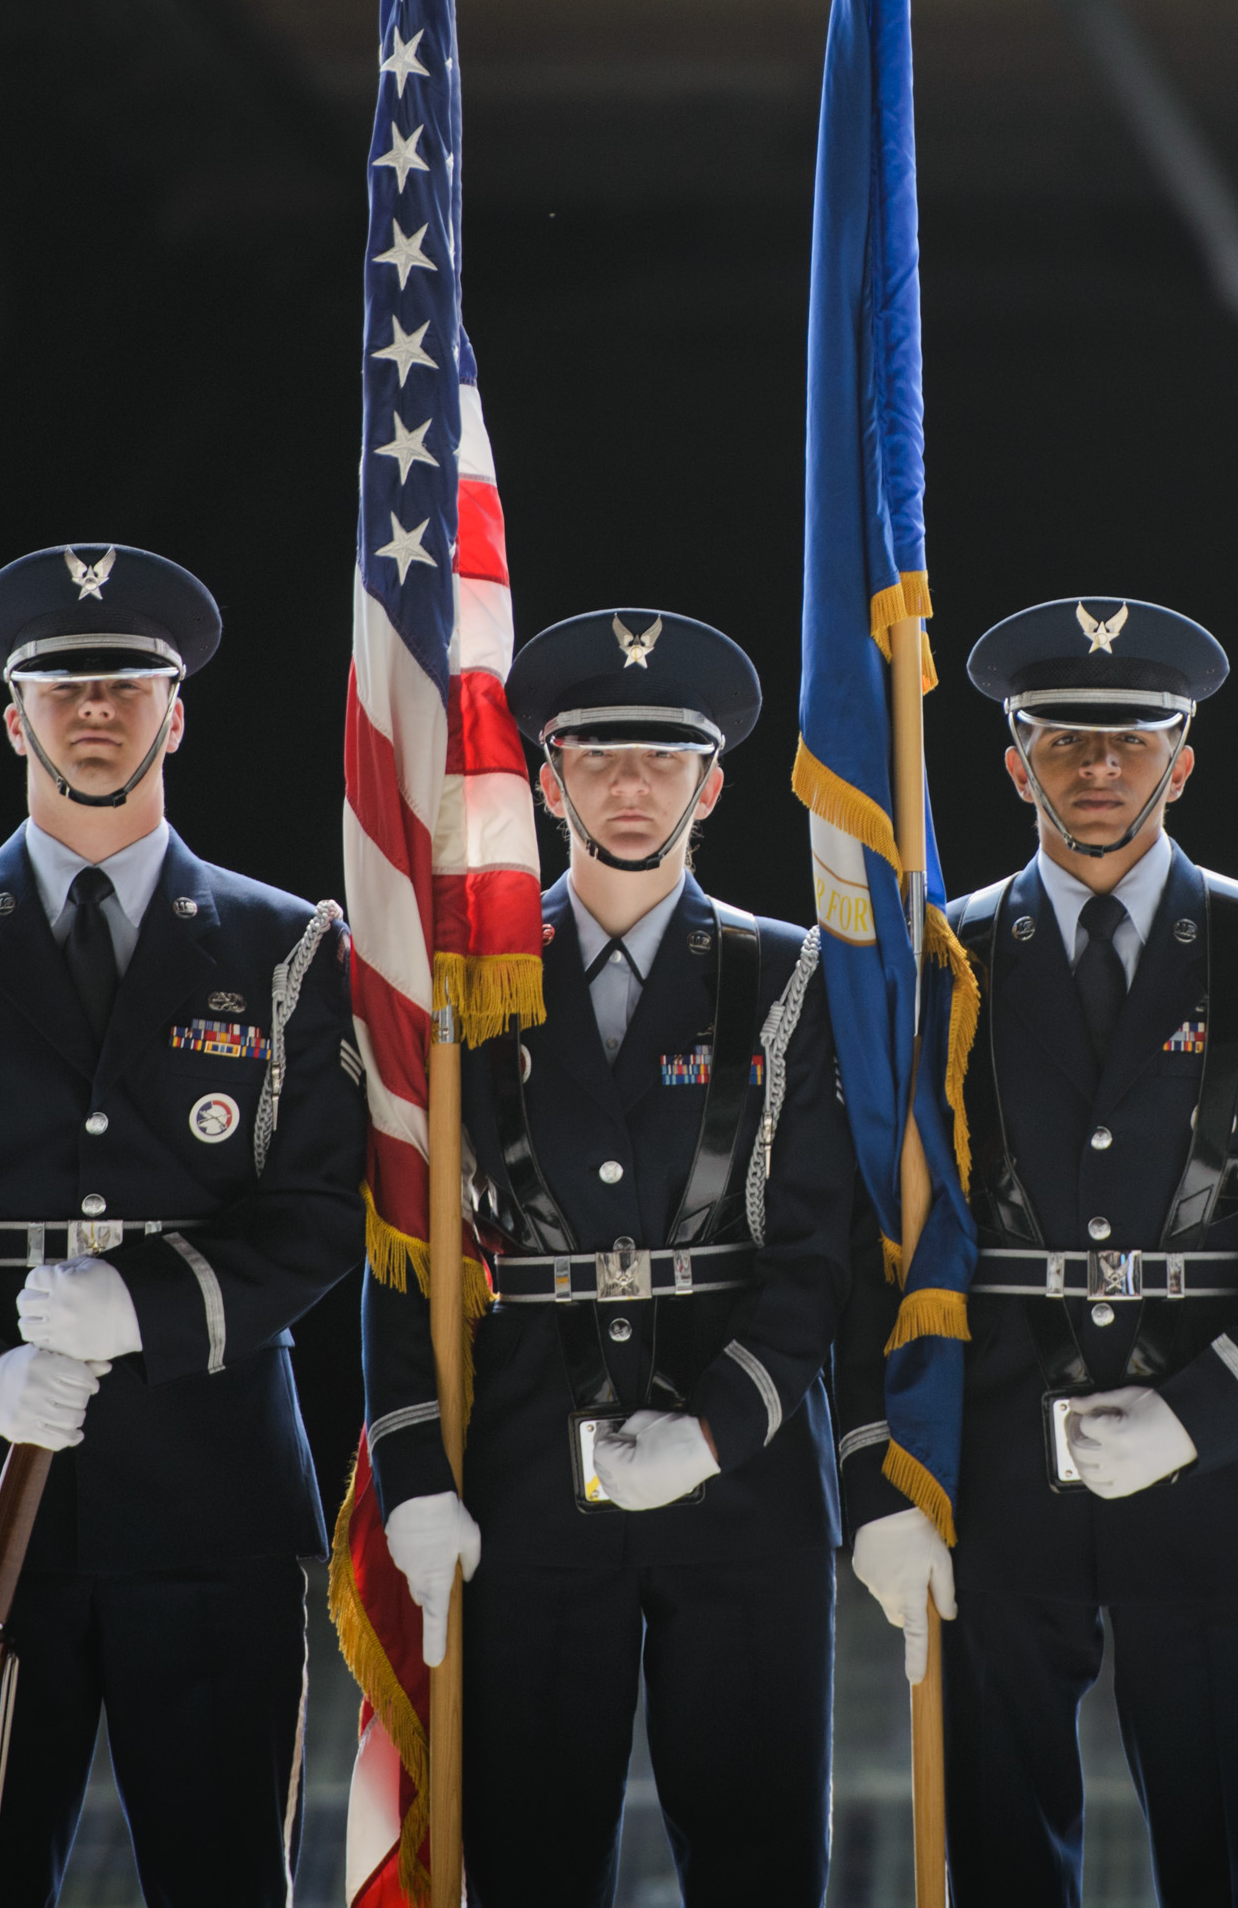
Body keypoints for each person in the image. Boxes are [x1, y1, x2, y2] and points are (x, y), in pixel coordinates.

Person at [0, 543, 368, 1908]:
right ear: (13, 718)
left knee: (226, 1880)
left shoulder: (285, 946)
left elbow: (321, 1210)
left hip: (211, 1487)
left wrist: (149, 1308)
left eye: (126, 684)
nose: (94, 710)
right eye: (60, 688)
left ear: (177, 713)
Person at [840, 597, 1238, 1908]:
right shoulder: (933, 959)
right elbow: (873, 1242)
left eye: (1126, 741)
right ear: (1013, 762)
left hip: (1213, 1469)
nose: (1094, 768)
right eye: (1061, 740)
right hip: (995, 1467)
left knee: (1221, 1870)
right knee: (1003, 1865)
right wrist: (877, 1483)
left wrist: (1197, 1419)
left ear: (1178, 762)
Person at [361, 609, 866, 1905]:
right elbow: (407, 1247)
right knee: (528, 1858)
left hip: (742, 1479)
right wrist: (413, 1468)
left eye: (662, 760)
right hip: (524, 1474)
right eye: (596, 758)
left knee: (758, 1862)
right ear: (544, 776)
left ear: (712, 783)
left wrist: (710, 1433)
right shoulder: (460, 982)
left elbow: (816, 1258)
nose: (629, 789)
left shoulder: (792, 979)